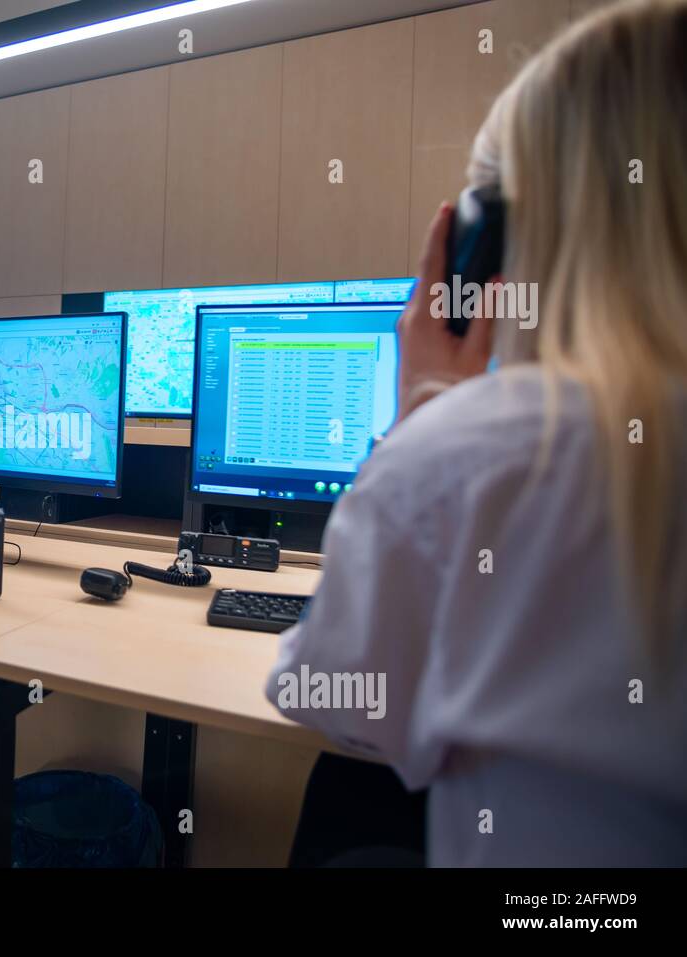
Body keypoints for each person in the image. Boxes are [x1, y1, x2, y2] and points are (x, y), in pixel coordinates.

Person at [266, 0, 687, 866]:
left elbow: (323, 696)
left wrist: (426, 403)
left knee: (348, 789)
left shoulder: (470, 455)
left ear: (489, 247)